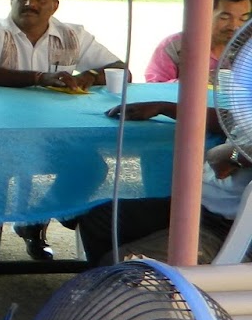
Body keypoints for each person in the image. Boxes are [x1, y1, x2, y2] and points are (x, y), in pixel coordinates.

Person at [0, 0, 126, 261]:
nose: (30, 4)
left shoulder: (73, 35)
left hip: (53, 136)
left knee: (90, 167)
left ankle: (35, 221)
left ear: (55, 5)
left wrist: (88, 75)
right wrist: (39, 78)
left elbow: (121, 70)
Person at [74, 99, 251, 264]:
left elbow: (224, 159)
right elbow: (229, 120)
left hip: (229, 229)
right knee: (98, 221)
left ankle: (115, 281)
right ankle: (102, 280)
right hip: (193, 207)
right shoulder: (245, 110)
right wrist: (164, 108)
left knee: (125, 264)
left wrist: (233, 155)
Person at [144, 0, 252, 82]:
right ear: (205, 13)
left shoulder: (248, 48)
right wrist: (196, 84)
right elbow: (155, 86)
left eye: (243, 19)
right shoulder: (175, 46)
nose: (234, 26)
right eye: (224, 18)